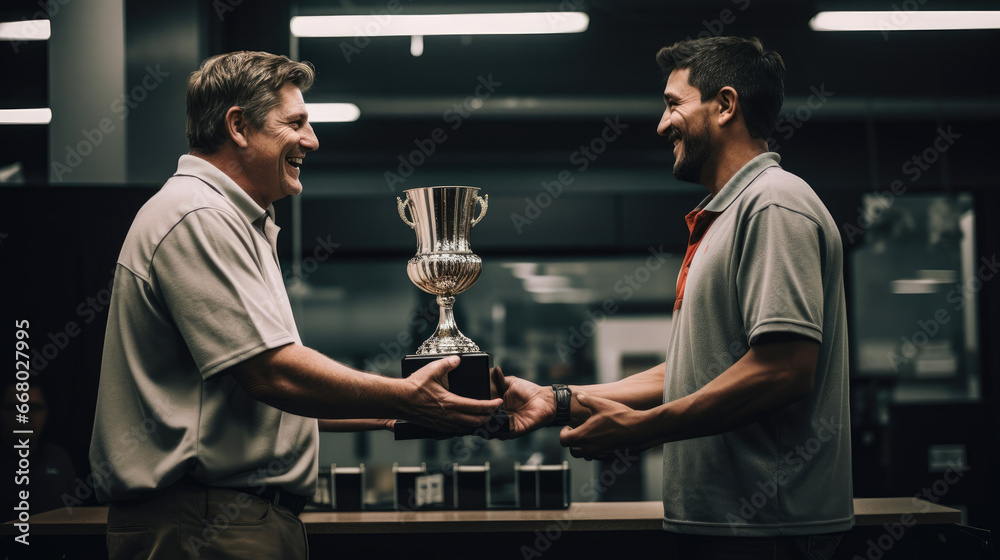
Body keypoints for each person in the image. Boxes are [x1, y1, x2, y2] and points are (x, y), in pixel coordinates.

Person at [88, 51, 502, 560]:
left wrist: (404, 414)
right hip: (205, 523)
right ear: (238, 126)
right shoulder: (197, 215)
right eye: (296, 123)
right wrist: (401, 398)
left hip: (231, 517)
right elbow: (272, 375)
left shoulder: (234, 219)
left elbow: (268, 402)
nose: (312, 140)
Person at [498, 36, 853, 559]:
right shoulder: (726, 216)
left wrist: (641, 429)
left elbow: (783, 370)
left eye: (672, 104)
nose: (662, 124)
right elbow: (690, 371)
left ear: (726, 104)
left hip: (772, 533)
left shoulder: (774, 204)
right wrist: (560, 400)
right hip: (724, 528)